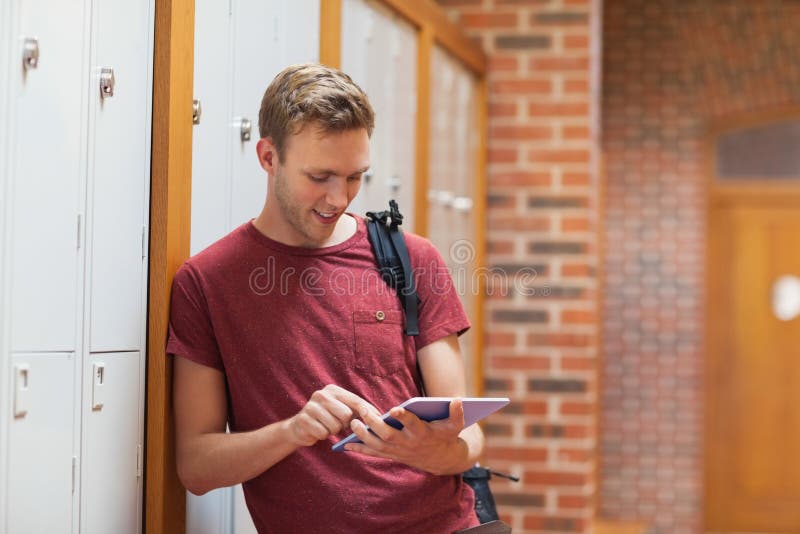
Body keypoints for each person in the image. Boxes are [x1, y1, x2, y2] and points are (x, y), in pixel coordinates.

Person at [168, 63, 484, 533]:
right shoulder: (206, 282)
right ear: (268, 156)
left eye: (356, 176)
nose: (340, 197)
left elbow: (469, 431)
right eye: (321, 176)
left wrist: (442, 453)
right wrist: (291, 431)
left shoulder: (413, 258)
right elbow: (195, 467)